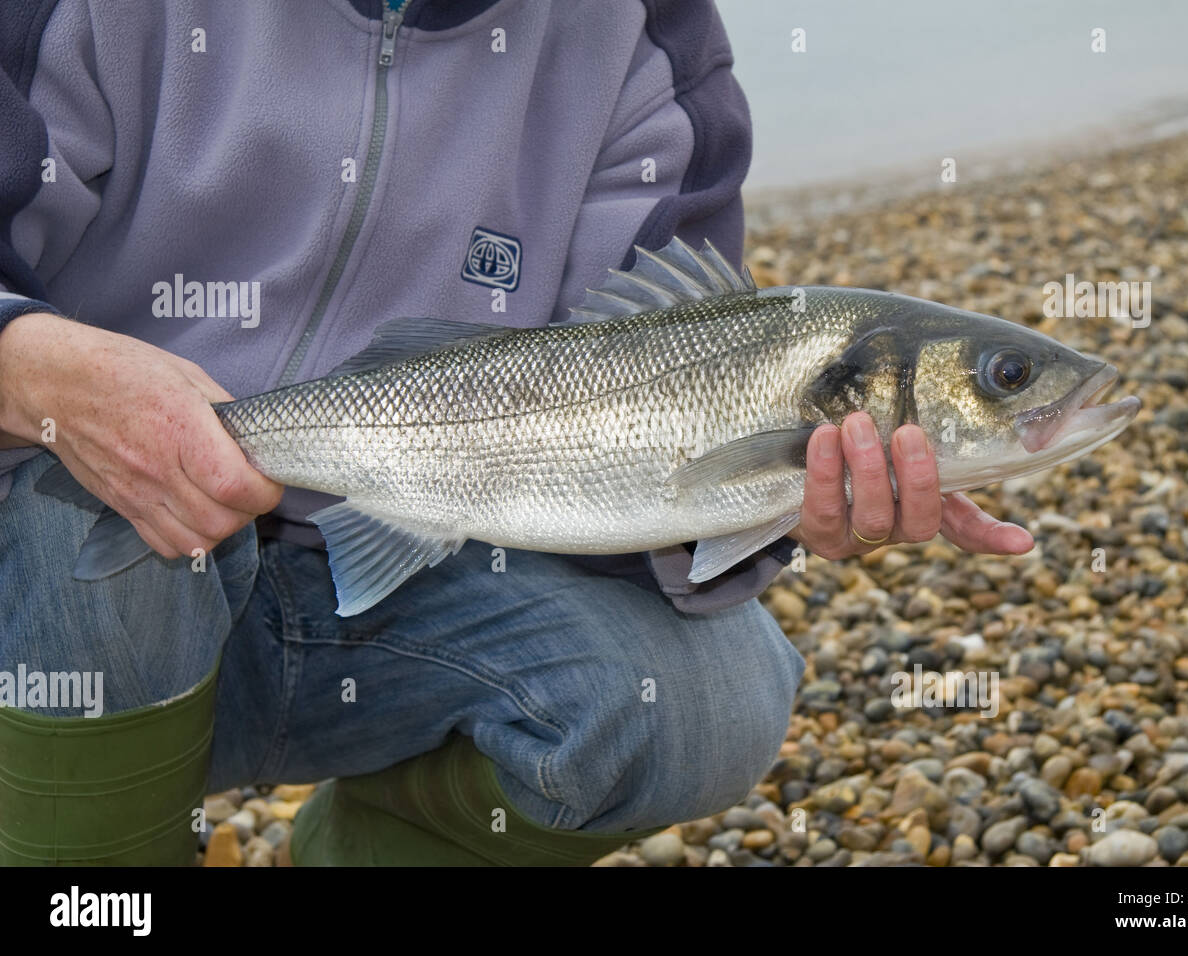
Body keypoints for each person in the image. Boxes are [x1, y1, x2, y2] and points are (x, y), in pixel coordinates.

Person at [0, 0, 1032, 866]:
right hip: (55, 600)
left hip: (400, 576)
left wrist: (780, 507)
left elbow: (638, 446)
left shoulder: (641, 31)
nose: (1021, 395)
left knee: (714, 696)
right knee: (83, 519)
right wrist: (38, 366)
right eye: (1006, 380)